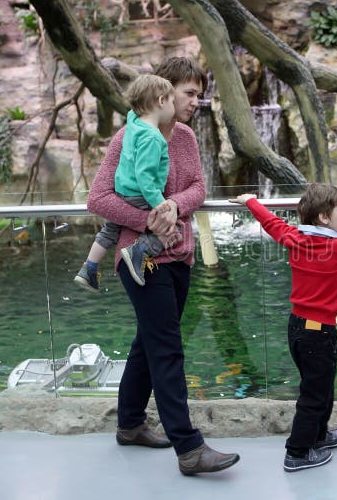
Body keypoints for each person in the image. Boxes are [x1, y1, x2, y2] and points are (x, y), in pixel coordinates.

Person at [87, 57, 240, 476]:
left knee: (148, 343)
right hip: (140, 260)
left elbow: (198, 187)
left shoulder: (187, 137)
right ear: (164, 91)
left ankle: (130, 424)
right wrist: (148, 219)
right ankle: (189, 449)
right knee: (168, 348)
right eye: (190, 93)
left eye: (199, 93)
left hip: (181, 256)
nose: (197, 101)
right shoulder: (129, 136)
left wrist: (175, 205)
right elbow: (98, 199)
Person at [230, 184, 337, 472]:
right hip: (318, 332)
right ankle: (297, 452)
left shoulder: (295, 238)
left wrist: (251, 201)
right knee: (314, 395)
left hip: (298, 328)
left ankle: (318, 436)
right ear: (325, 218)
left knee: (321, 386)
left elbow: (272, 223)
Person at [74, 74, 177, 291]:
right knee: (173, 227)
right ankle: (138, 251)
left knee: (109, 230)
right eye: (172, 101)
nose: (173, 108)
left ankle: (89, 268)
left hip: (123, 192)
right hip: (141, 195)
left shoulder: (133, 123)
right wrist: (159, 202)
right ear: (161, 102)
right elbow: (145, 175)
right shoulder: (152, 137)